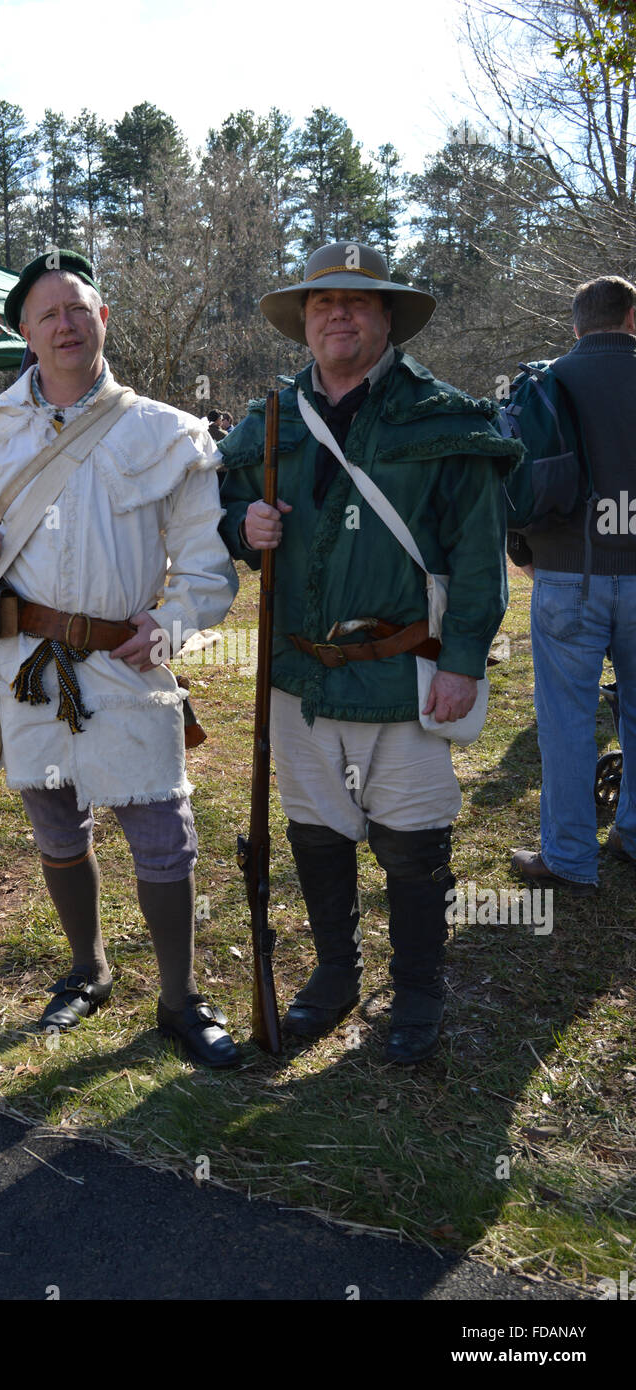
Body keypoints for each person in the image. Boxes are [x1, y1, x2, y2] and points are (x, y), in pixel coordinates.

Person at [0, 249, 240, 1068]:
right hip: (23, 663)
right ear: (24, 331)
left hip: (125, 665)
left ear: (103, 321)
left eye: (79, 309)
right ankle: (87, 972)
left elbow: (206, 566)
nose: (66, 324)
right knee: (56, 819)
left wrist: (166, 629)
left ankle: (178, 999)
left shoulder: (167, 432)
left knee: (164, 830)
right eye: (48, 313)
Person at [219, 240, 520, 1063]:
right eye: (323, 304)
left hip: (404, 672)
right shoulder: (268, 417)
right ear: (304, 323)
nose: (339, 315)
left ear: (388, 317)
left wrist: (462, 660)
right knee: (316, 829)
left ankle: (419, 988)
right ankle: (337, 973)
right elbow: (225, 505)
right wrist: (240, 527)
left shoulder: (445, 417)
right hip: (298, 674)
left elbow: (478, 552)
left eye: (358, 302)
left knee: (413, 841)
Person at [510, 275, 636, 892]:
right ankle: (634, 835)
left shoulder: (544, 382)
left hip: (567, 570)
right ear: (633, 318)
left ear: (577, 324)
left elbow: (510, 474)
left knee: (565, 718)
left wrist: (521, 549)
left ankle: (567, 857)